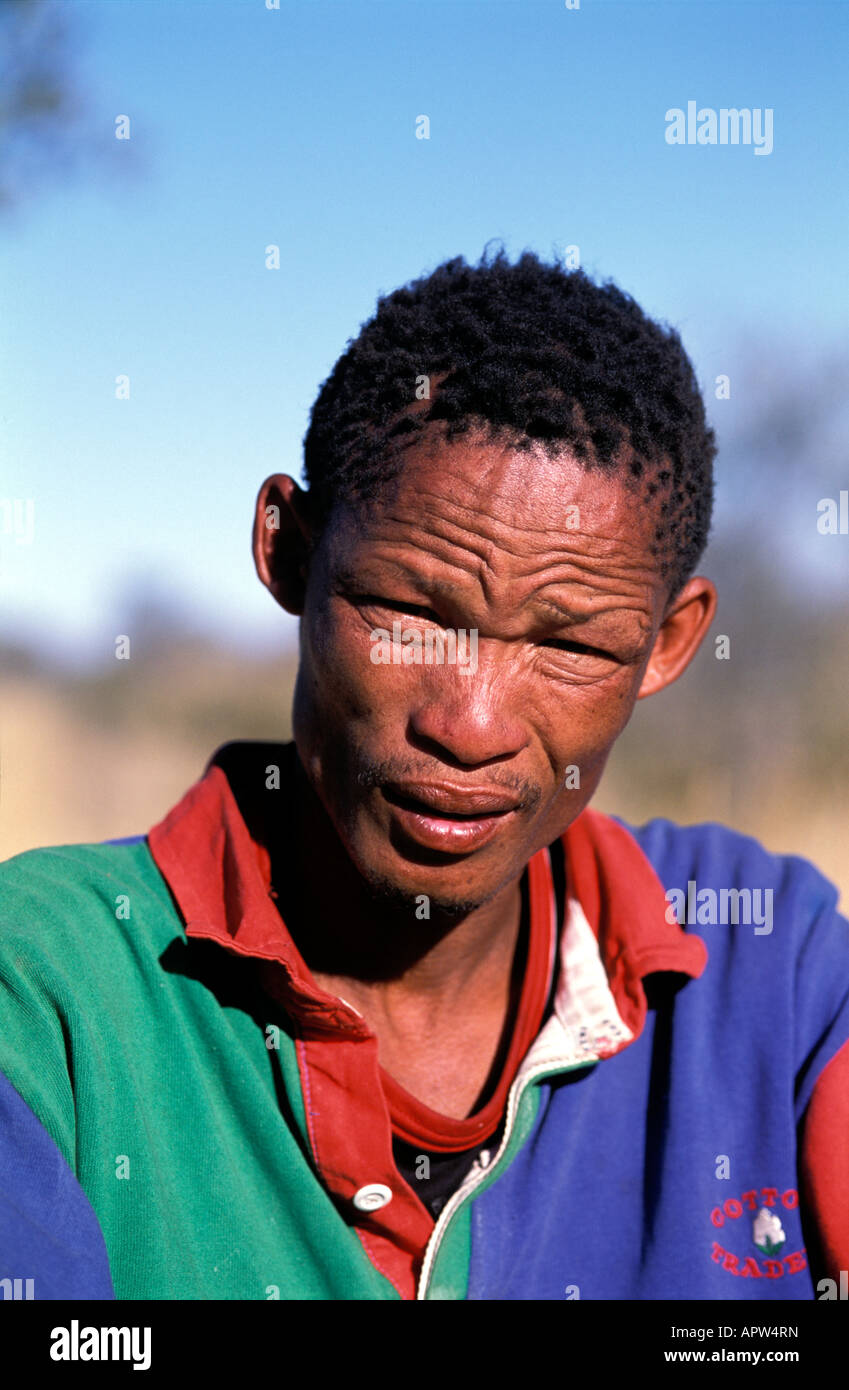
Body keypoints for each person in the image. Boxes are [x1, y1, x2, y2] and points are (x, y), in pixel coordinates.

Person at [1, 249, 847, 1302]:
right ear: (290, 554)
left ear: (667, 646)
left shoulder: (777, 973)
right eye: (408, 613)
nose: (470, 723)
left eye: (573, 646)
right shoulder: (44, 994)